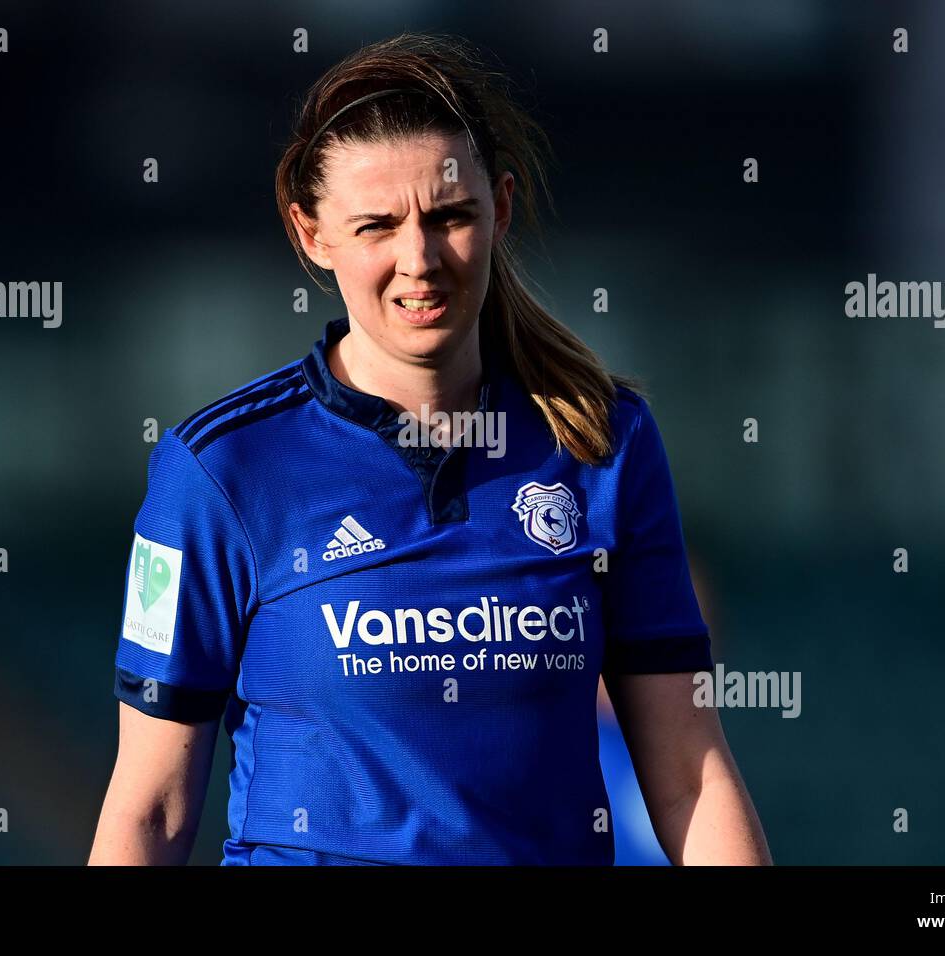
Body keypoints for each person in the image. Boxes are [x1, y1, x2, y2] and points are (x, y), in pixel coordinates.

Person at [89, 32, 771, 866]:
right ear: (311, 234)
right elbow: (150, 810)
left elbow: (690, 776)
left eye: (449, 216)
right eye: (376, 225)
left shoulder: (602, 441)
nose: (419, 259)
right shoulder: (219, 471)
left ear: (503, 209)